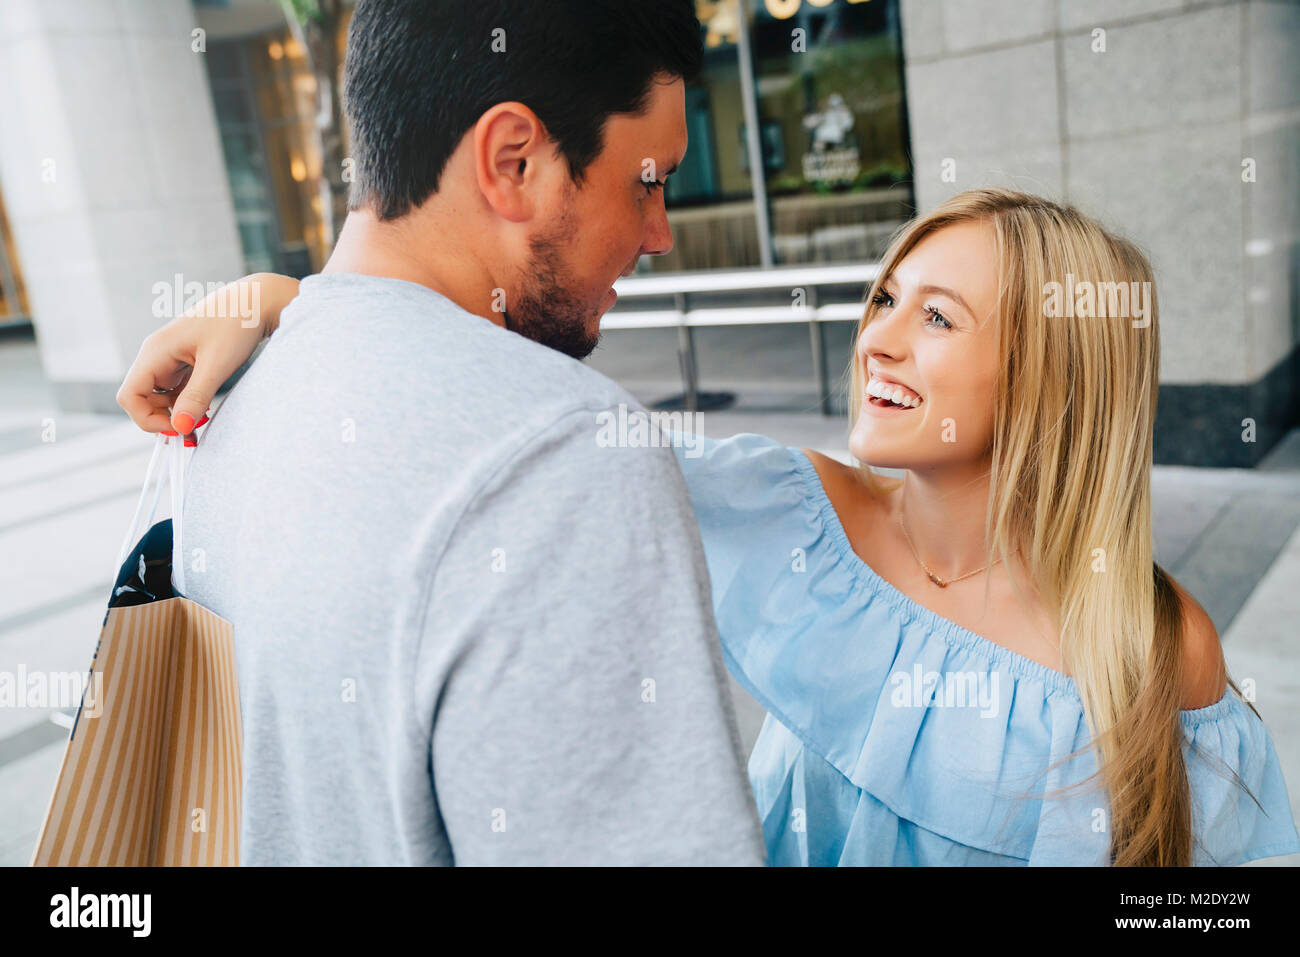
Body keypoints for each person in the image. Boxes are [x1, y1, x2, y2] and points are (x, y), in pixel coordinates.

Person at [124, 187, 1300, 867]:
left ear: (1054, 369)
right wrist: (284, 304)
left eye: (934, 316)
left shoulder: (1157, 649)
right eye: (883, 296)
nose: (877, 338)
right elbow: (517, 432)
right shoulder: (787, 513)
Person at [117, 0, 765, 866]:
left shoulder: (228, 397)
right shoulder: (562, 456)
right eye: (648, 179)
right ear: (515, 159)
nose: (660, 233)